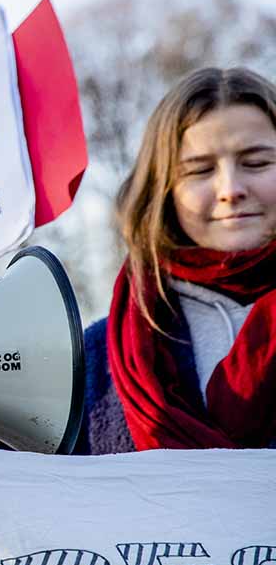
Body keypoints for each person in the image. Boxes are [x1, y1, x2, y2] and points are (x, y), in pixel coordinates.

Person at [79, 66, 276, 454]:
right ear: (163, 189)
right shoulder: (90, 360)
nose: (230, 189)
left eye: (256, 163)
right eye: (200, 170)